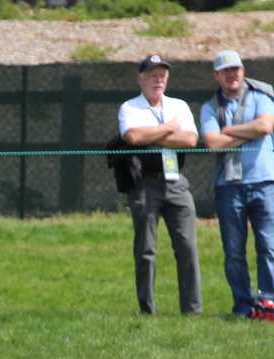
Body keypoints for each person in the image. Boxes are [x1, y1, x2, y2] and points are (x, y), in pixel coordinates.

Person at [117, 54, 202, 315]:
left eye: (162, 74)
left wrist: (152, 135)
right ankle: (147, 310)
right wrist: (168, 128)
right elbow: (132, 136)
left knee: (187, 247)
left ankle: (192, 311)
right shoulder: (129, 108)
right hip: (144, 184)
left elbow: (190, 140)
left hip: (177, 182)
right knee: (146, 250)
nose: (158, 79)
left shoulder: (179, 106)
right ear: (140, 78)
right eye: (153, 74)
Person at [199, 49, 274, 320]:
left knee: (269, 244)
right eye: (226, 70)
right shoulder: (209, 106)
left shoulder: (262, 96)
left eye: (237, 69)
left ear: (243, 71)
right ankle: (243, 306)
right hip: (228, 186)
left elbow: (264, 127)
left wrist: (229, 130)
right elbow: (211, 142)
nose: (232, 75)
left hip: (265, 181)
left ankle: (268, 303)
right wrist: (248, 132)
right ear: (217, 75)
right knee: (233, 251)